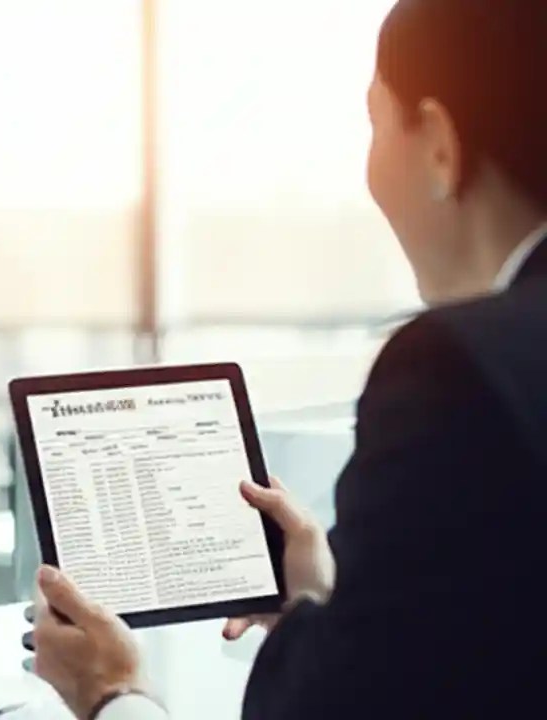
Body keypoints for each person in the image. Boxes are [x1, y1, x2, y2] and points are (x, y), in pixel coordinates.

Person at [30, 0, 547, 718]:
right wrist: (329, 602)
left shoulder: (459, 368)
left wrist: (110, 692)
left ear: (436, 141)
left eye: (374, 122)